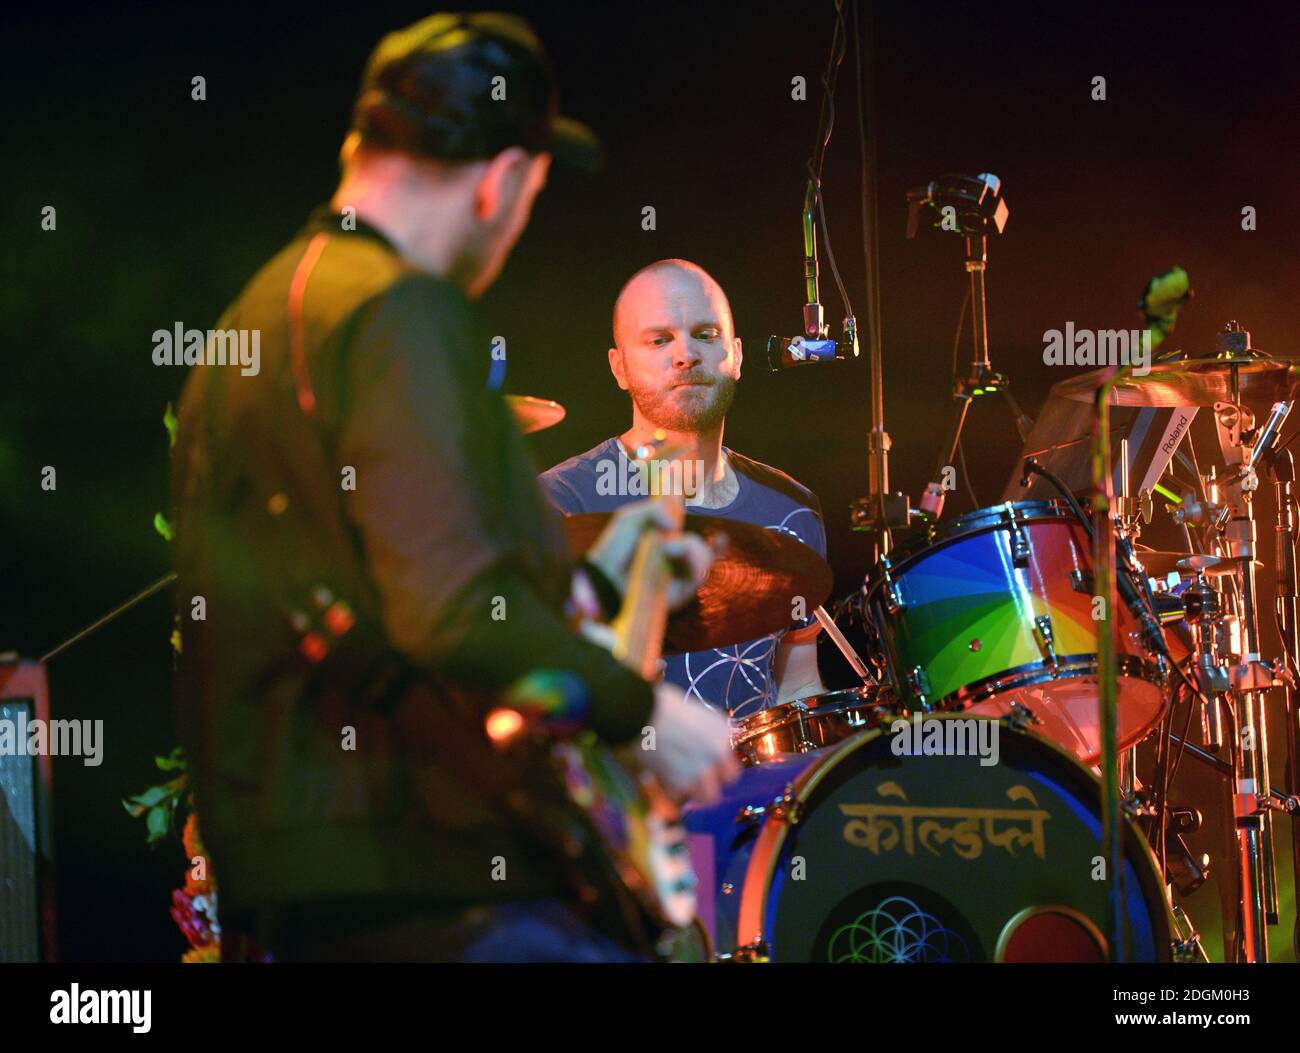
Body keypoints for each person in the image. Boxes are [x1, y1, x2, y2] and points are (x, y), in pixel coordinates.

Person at [171, 12, 737, 964]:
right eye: (532, 195)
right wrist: (645, 714)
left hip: (306, 883)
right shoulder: (400, 311)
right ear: (504, 180)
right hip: (430, 882)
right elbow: (450, 608)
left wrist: (600, 582)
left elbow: (378, 601)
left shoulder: (259, 319)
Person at [541, 259, 828, 720]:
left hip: (754, 789)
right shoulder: (560, 503)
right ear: (620, 367)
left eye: (705, 335)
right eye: (659, 340)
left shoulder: (792, 509)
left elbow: (796, 680)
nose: (685, 355)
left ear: (734, 356)